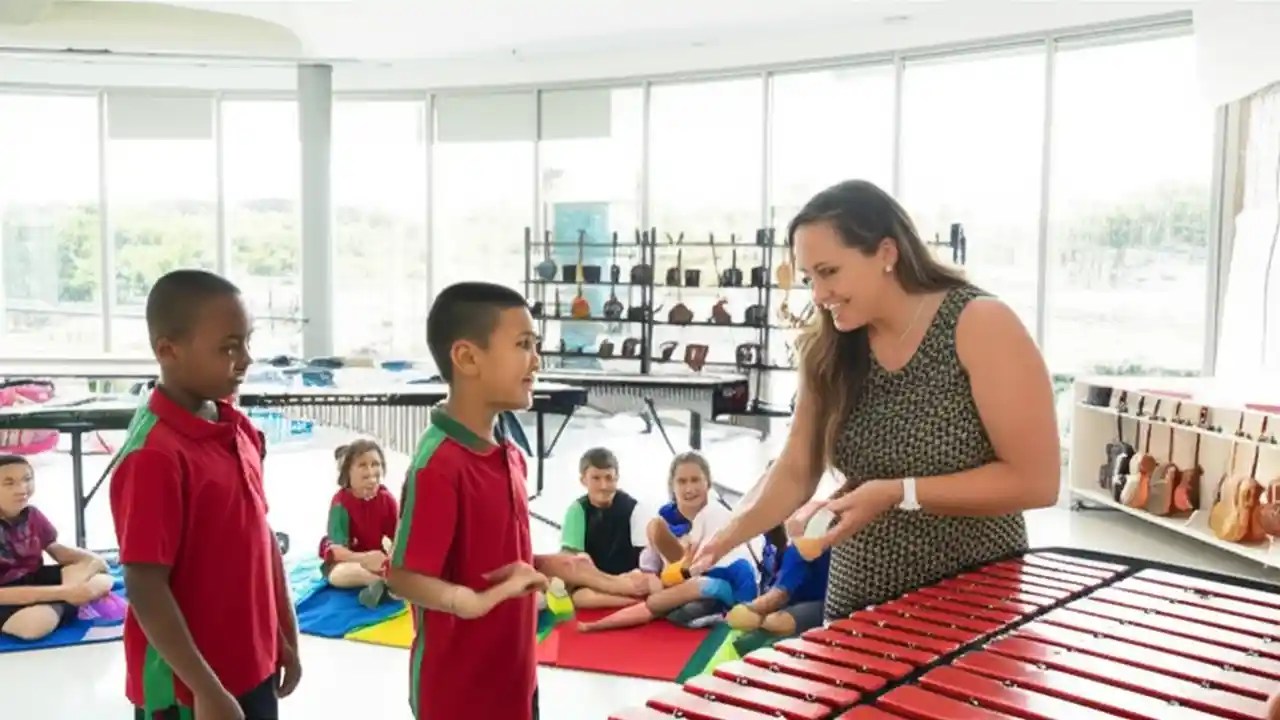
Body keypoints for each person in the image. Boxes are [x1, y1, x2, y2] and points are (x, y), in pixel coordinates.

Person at [689, 179, 1061, 621]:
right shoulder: (826, 347)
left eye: (829, 272)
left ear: (886, 253)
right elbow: (795, 469)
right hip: (857, 605)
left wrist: (896, 493)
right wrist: (724, 537)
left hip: (974, 600)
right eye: (809, 278)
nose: (818, 295)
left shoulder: (980, 324)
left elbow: (1036, 482)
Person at [386, 281, 588, 720]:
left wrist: (544, 563)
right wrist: (472, 602)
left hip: (515, 677)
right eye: (523, 345)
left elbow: (488, 559)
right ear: (467, 358)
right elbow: (403, 576)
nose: (537, 360)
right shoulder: (439, 466)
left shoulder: (508, 453)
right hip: (460, 696)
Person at [110, 269, 300, 720]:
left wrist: (282, 632)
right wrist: (206, 689)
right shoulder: (154, 456)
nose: (246, 359)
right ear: (167, 350)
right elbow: (145, 585)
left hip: (250, 664)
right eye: (229, 347)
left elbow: (260, 534)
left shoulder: (238, 428)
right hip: (187, 689)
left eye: (247, 342)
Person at [578, 451, 758, 633]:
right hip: (674, 582)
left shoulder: (716, 515)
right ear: (672, 486)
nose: (689, 489)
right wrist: (649, 577)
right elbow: (649, 563)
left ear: (708, 483)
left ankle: (606, 621)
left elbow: (720, 568)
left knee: (664, 601)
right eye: (682, 481)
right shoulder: (665, 518)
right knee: (584, 595)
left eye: (695, 480)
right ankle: (617, 608)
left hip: (712, 584)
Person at [0, 455, 114, 640]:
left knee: (101, 575)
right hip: (5, 594)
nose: (22, 489)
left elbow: (58, 551)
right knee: (33, 626)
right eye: (9, 483)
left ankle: (73, 598)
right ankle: (74, 601)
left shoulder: (32, 514)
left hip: (35, 581)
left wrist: (92, 561)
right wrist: (66, 592)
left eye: (27, 479)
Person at [558, 447, 660, 608]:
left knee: (649, 582)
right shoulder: (577, 510)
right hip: (594, 581)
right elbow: (568, 554)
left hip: (628, 577)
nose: (603, 485)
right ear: (583, 480)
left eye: (609, 478)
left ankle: (630, 599)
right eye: (596, 478)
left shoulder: (633, 508)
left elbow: (645, 554)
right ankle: (632, 603)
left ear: (617, 478)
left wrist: (638, 574)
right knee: (581, 596)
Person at [726, 502, 830, 636]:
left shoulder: (802, 544)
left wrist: (750, 609)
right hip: (788, 600)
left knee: (773, 622)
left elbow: (777, 596)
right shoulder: (772, 542)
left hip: (826, 605)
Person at [319, 439, 398, 609]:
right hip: (351, 562)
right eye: (364, 472)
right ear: (348, 474)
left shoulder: (387, 500)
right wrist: (366, 558)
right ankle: (384, 583)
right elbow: (337, 552)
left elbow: (399, 537)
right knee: (338, 574)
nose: (371, 478)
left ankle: (389, 583)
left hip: (381, 563)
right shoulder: (341, 504)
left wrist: (391, 556)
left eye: (375, 469)